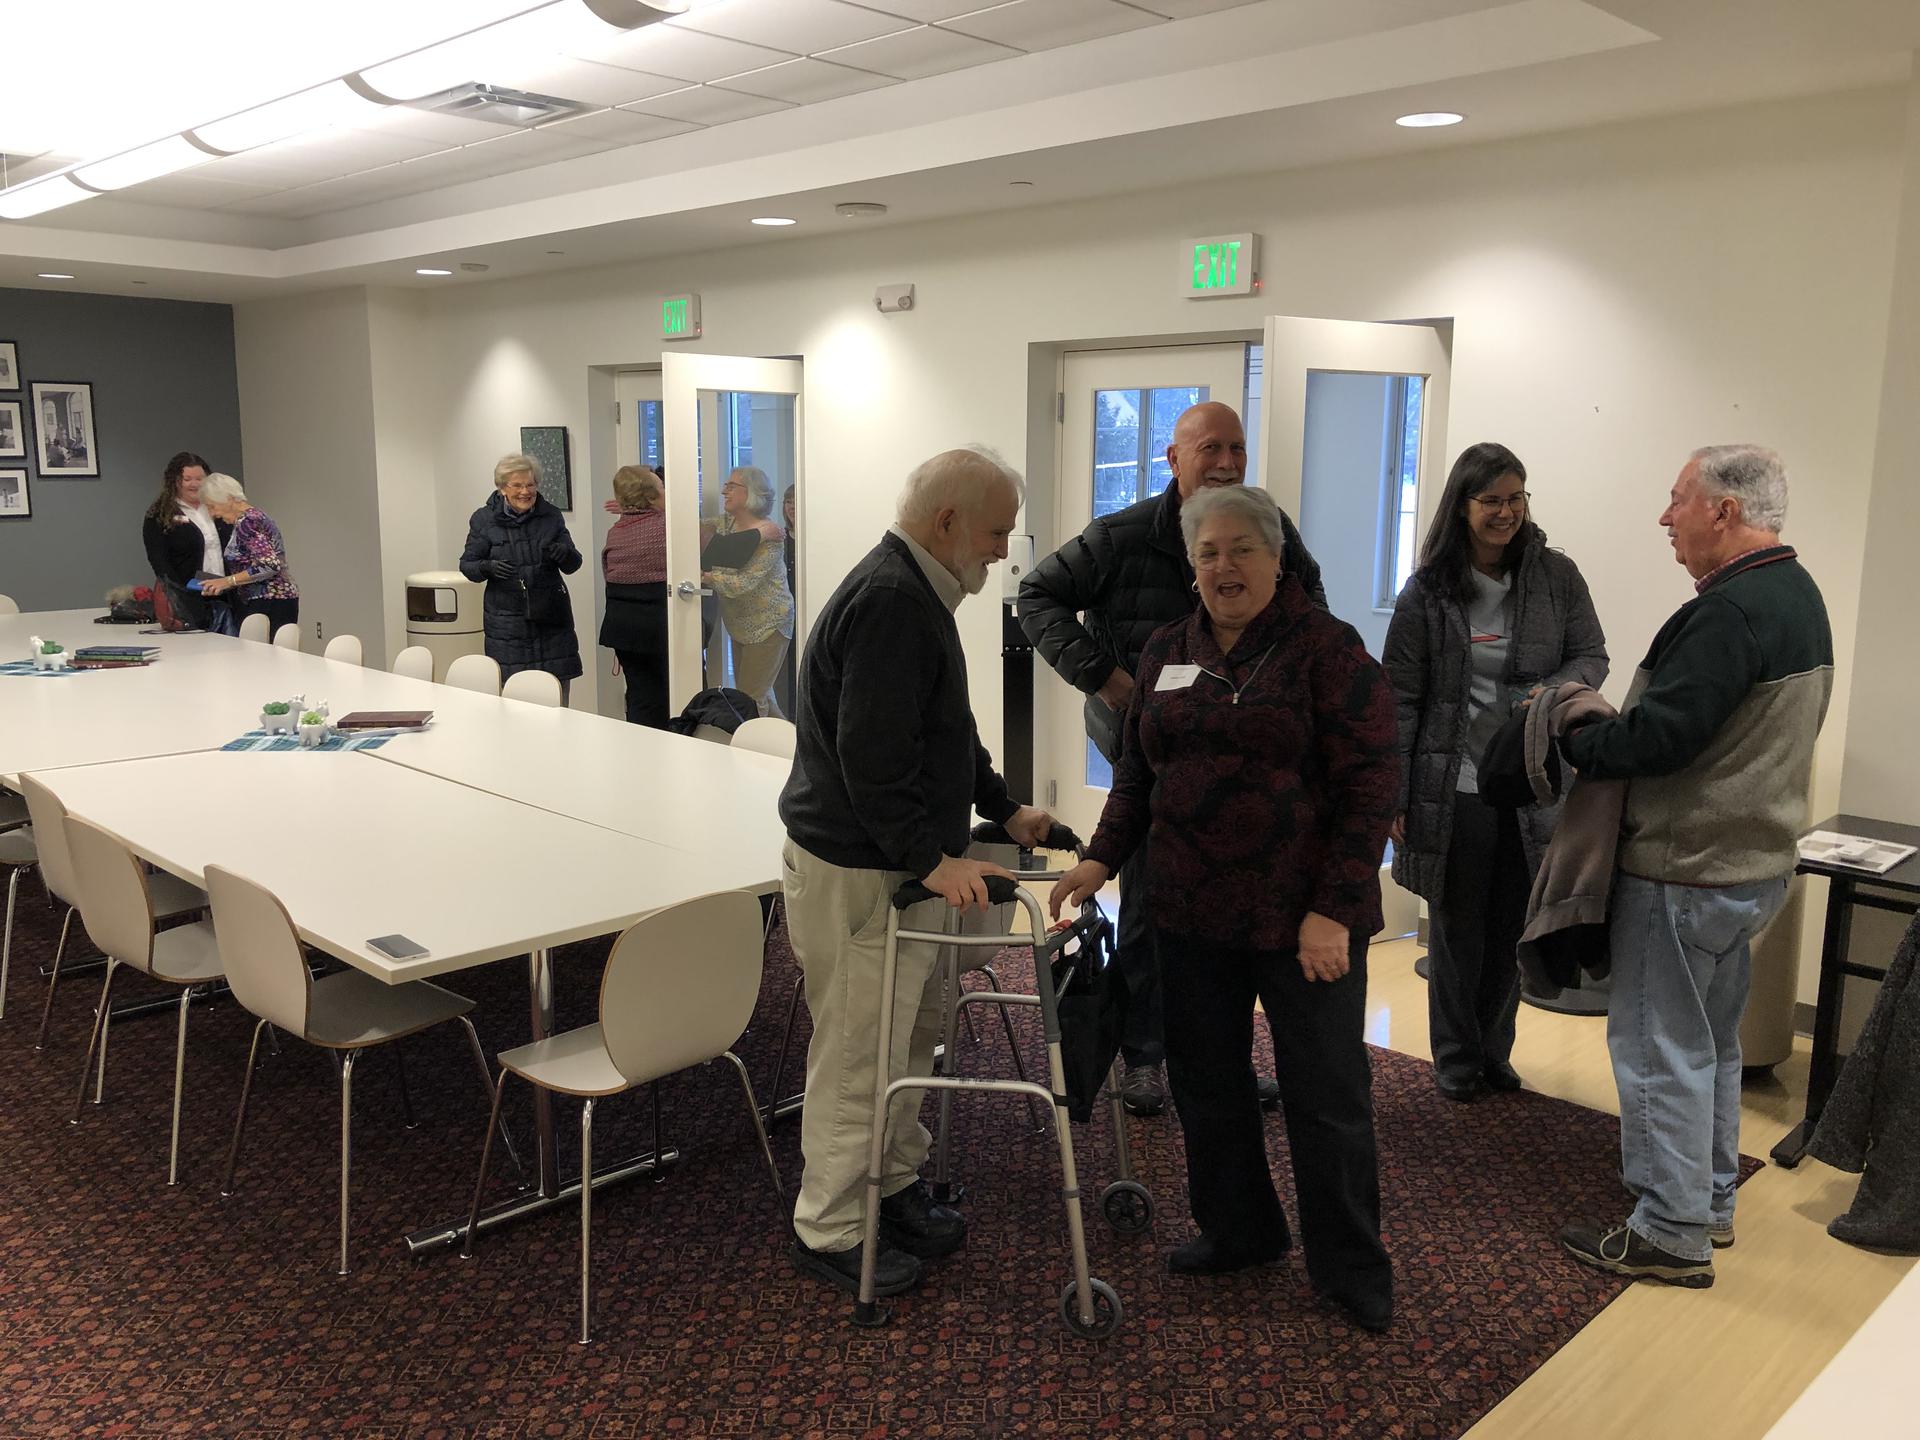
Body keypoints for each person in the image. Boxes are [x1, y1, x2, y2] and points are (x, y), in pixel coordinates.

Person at [1050, 485, 1398, 1332]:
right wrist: (1099, 857)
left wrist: (1334, 909)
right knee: (1207, 1082)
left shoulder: (1329, 649)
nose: (1224, 566)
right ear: (1191, 564)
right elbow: (1138, 774)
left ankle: (1350, 1266)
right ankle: (1240, 1231)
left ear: (1277, 559)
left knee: (1326, 1093)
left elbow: (1371, 788)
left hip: (1304, 919)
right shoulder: (1167, 648)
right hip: (1190, 909)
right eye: (1208, 552)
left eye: (1242, 548)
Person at [779, 445, 1053, 1299]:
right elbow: (872, 759)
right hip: (865, 875)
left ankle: (891, 1184)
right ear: (947, 523)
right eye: (997, 532)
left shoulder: (917, 589)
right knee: (860, 1055)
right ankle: (830, 1227)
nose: (1004, 551)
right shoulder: (893, 601)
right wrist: (930, 859)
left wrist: (1003, 808)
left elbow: (945, 728)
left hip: (898, 872)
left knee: (906, 1039)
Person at [1557, 445, 1832, 1288]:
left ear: (1724, 510)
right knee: (1707, 1044)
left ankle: (1670, 1231)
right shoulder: (1798, 594)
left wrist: (1575, 731)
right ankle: (1707, 1200)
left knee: (1658, 1048)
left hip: (1685, 871)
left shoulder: (1727, 613)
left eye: (1677, 499)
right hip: (1752, 868)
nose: (1665, 517)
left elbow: (1660, 739)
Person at [1020, 400, 1326, 1117]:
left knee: (1230, 913)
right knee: (1152, 899)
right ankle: (1145, 1057)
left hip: (1245, 759)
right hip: (1149, 749)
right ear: (1174, 458)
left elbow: (1312, 613)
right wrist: (1103, 676)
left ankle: (1221, 1056)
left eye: (1237, 449)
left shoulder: (1271, 530)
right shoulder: (1121, 536)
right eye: (1210, 448)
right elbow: (1036, 595)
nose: (1226, 463)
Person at [1381, 443, 1608, 1101]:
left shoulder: (1557, 576)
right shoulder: (1428, 591)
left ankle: (1494, 1053)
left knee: (1514, 924)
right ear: (1463, 506)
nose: (1506, 512)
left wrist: (1554, 689)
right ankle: (1456, 1058)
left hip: (1531, 782)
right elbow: (1400, 697)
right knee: (1458, 930)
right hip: (1452, 785)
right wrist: (1395, 793)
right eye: (1491, 501)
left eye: (1516, 498)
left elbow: (1591, 655)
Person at [460, 454, 584, 701]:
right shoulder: (483, 520)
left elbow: (574, 564)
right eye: (517, 485)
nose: (525, 492)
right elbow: (467, 565)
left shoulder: (551, 516)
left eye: (530, 484)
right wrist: (487, 567)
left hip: (551, 623)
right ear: (502, 488)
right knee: (515, 704)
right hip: (507, 626)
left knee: (557, 701)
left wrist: (565, 554)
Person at [703, 466, 794, 720]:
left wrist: (706, 577)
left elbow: (742, 583)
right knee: (759, 696)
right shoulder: (725, 524)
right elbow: (689, 530)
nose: (724, 491)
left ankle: (754, 744)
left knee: (751, 698)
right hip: (740, 624)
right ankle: (795, 743)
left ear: (752, 493)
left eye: (731, 486)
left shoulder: (772, 535)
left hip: (769, 625)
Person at [599, 465, 670, 728]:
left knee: (639, 694)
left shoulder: (617, 530)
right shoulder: (665, 527)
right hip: (656, 625)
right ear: (651, 497)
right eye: (662, 487)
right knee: (667, 696)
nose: (666, 491)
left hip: (622, 627)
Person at [196, 474, 301, 633]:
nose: (212, 514)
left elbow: (269, 565)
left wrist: (228, 581)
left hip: (268, 600)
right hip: (273, 599)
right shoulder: (254, 517)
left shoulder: (248, 522)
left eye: (212, 506)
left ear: (229, 499)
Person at [141, 451, 229, 630]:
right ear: (174, 481)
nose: (194, 484)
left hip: (227, 592)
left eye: (199, 478)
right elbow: (158, 560)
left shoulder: (220, 508)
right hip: (189, 597)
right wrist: (177, 594)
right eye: (187, 479)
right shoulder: (159, 514)